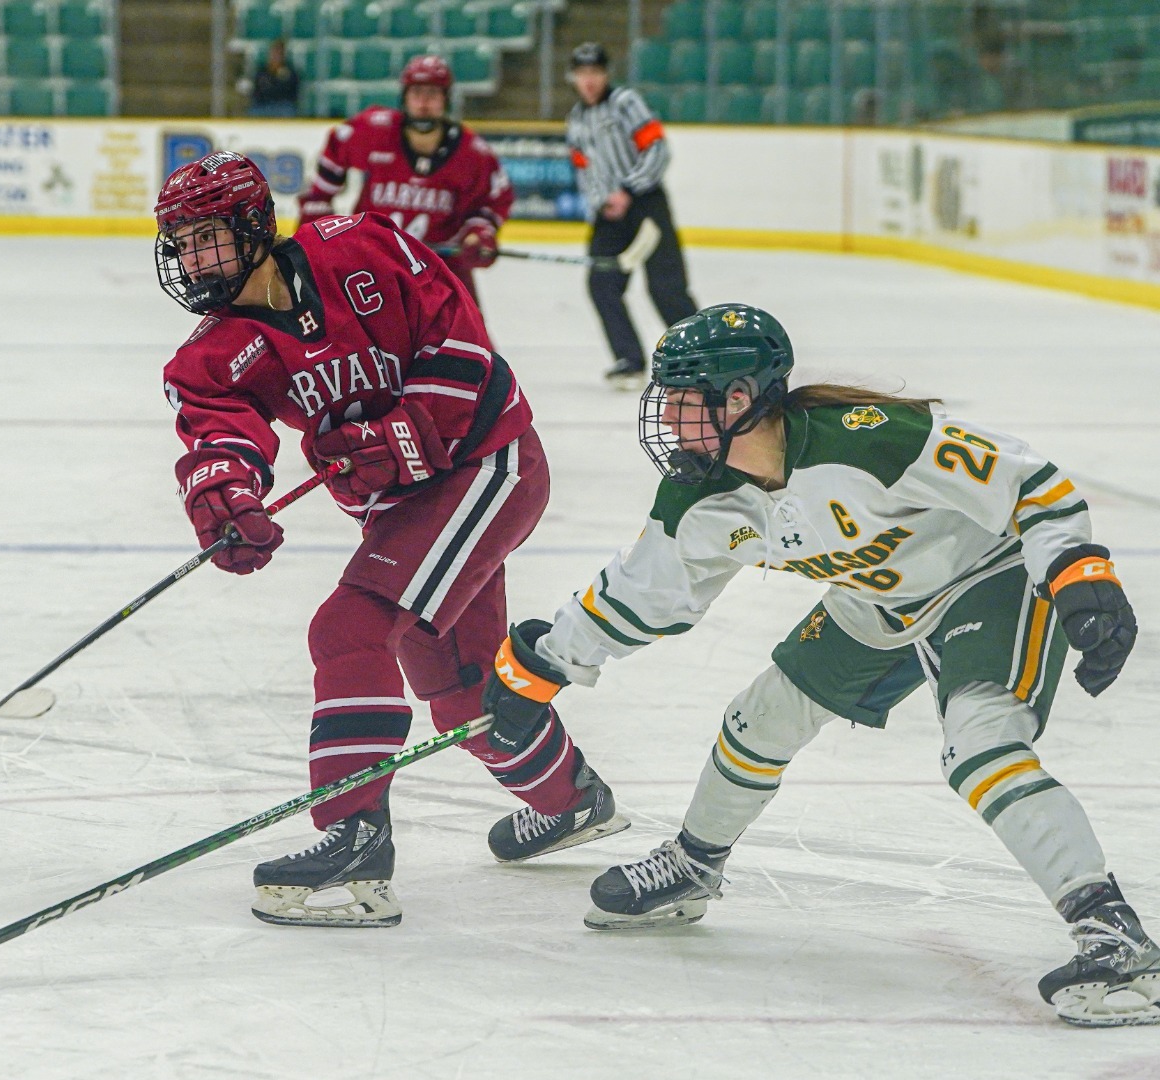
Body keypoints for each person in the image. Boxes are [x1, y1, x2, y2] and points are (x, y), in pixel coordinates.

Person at [480, 303, 1151, 1026]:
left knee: (981, 747)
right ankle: (695, 865)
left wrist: (1079, 575)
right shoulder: (705, 492)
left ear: (739, 398)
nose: (667, 416)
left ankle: (1115, 937)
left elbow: (1030, 484)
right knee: (759, 719)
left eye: (682, 398)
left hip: (987, 578)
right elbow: (642, 594)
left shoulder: (868, 439)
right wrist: (542, 665)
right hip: (878, 599)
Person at [154, 151, 625, 928]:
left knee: (350, 627)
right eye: (181, 245)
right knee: (461, 691)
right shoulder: (210, 355)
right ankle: (571, 799)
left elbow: (465, 348)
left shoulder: (364, 247)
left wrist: (399, 434)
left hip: (489, 462)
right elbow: (219, 433)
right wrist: (225, 496)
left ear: (253, 225)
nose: (192, 260)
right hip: (408, 507)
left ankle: (355, 841)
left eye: (207, 238)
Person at [297, 55, 512, 310]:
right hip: (372, 260)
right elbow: (337, 146)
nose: (424, 102)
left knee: (471, 336)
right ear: (404, 96)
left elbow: (492, 200)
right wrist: (319, 200)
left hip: (440, 267)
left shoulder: (472, 153)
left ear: (446, 99)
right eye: (417, 92)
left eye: (433, 94)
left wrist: (479, 234)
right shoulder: (375, 130)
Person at [564, 41, 697, 389]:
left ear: (606, 74)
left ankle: (701, 354)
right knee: (602, 284)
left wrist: (629, 190)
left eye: (595, 72)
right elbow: (584, 170)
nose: (589, 80)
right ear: (573, 77)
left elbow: (657, 149)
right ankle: (629, 360)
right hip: (609, 213)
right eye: (582, 73)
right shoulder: (576, 119)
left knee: (666, 287)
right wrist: (603, 201)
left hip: (645, 204)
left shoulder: (626, 102)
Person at [247, 39, 298, 118]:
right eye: (274, 53)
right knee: (254, 111)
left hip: (283, 105)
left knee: (288, 110)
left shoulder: (290, 72)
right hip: (263, 105)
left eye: (279, 54)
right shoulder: (262, 72)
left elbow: (291, 92)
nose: (276, 56)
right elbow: (257, 90)